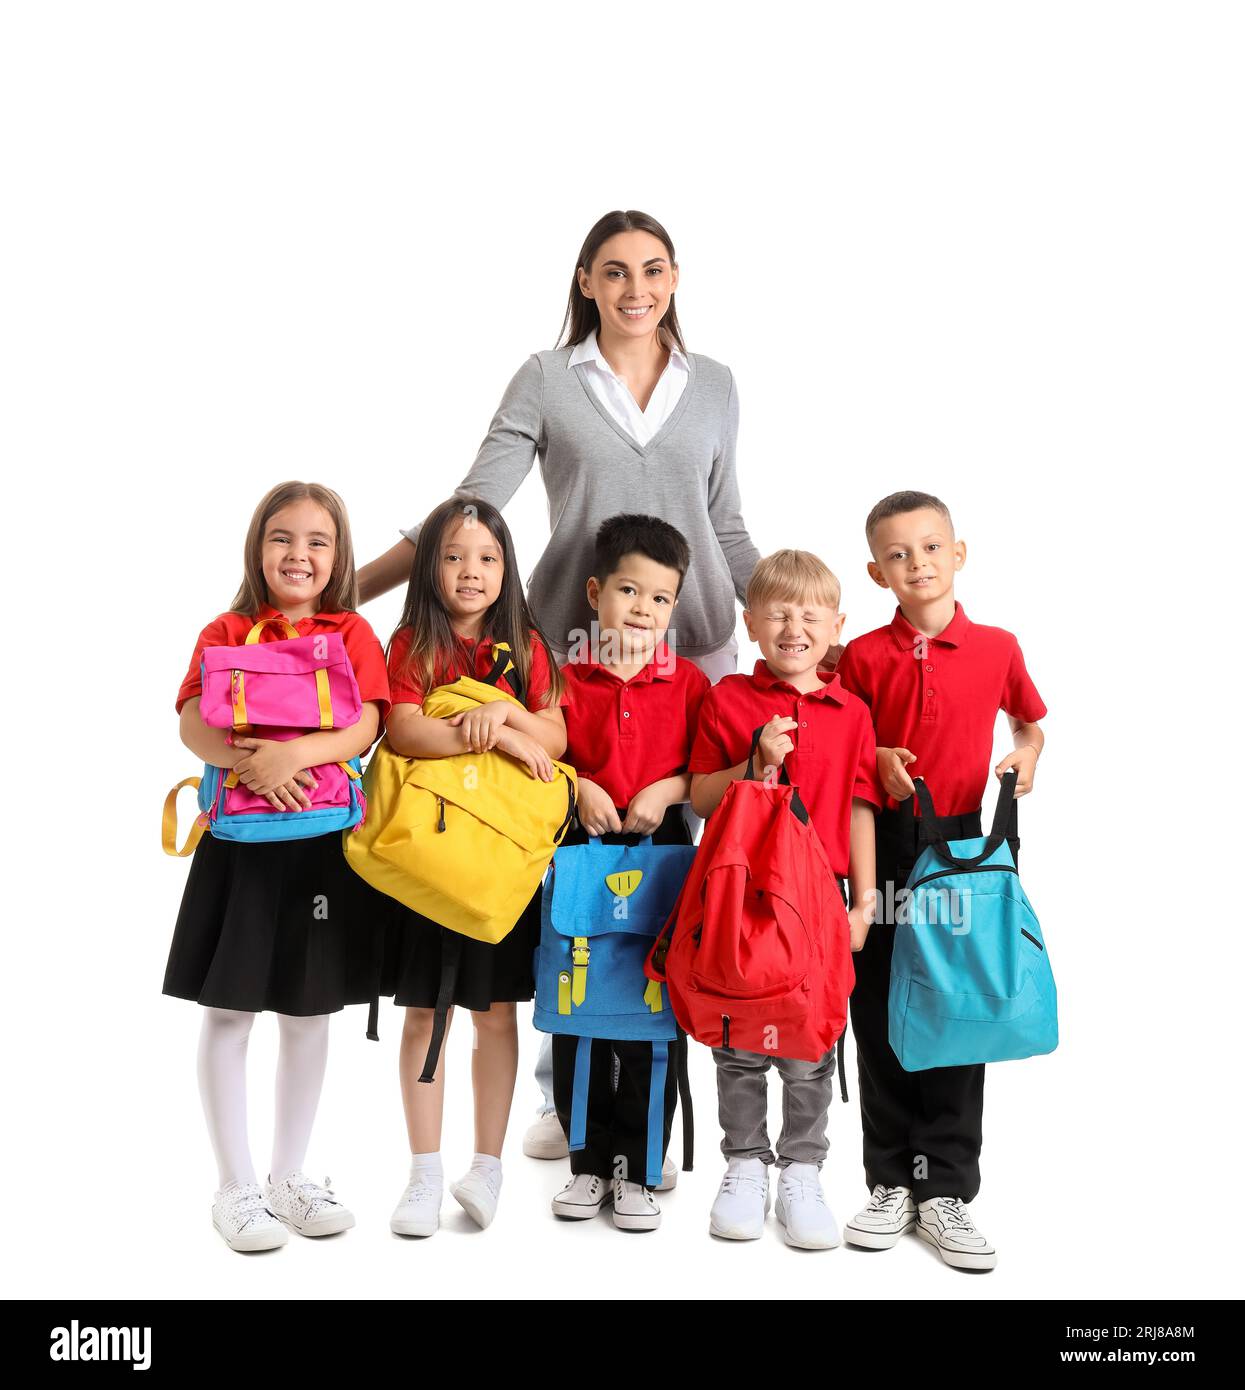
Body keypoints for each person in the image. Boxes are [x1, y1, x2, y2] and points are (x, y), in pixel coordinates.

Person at [357, 209, 760, 1157]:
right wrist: (348, 594)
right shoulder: (547, 377)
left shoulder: (717, 387)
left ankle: (654, 1086)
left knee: (668, 872)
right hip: (569, 662)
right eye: (613, 272)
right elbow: (474, 501)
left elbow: (728, 527)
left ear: (674, 277)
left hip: (690, 653)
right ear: (584, 280)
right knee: (568, 860)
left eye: (653, 271)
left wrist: (795, 628)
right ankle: (565, 1083)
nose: (634, 290)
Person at [164, 482, 391, 1252]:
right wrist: (245, 763)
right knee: (229, 1012)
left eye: (317, 541)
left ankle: (287, 1178)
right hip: (239, 850)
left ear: (339, 557)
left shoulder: (353, 631)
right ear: (257, 549)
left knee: (307, 1009)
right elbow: (193, 718)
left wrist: (294, 754)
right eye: (282, 539)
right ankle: (234, 1187)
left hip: (321, 849)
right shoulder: (225, 628)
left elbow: (366, 723)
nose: (299, 555)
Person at [835, 490, 1047, 1271]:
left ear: (958, 553)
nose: (915, 563)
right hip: (885, 842)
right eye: (897, 554)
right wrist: (877, 760)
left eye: (929, 547)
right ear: (875, 571)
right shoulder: (860, 656)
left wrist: (1029, 753)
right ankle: (890, 1180)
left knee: (959, 1005)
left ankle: (945, 1188)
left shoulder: (996, 646)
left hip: (966, 848)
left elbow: (1028, 723)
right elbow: (842, 740)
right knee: (883, 1000)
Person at [381, 497, 569, 1237]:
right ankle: (423, 1171)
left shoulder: (525, 644)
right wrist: (483, 734)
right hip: (428, 856)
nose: (470, 570)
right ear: (429, 567)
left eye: (487, 557)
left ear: (506, 568)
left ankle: (486, 1167)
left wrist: (504, 713)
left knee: (495, 1012)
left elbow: (553, 734)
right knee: (426, 1010)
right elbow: (400, 730)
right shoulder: (411, 643)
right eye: (454, 556)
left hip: (500, 860)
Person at [688, 551, 879, 1249]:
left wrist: (862, 903)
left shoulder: (852, 712)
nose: (792, 626)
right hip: (740, 892)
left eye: (809, 614)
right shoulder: (727, 699)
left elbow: (860, 805)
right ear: (750, 624)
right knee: (738, 1037)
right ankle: (742, 1163)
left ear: (835, 627)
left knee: (809, 1042)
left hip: (818, 897)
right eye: (776, 612)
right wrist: (755, 762)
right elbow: (700, 795)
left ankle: (801, 1168)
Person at [545, 514, 709, 1231]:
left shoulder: (691, 682)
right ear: (593, 593)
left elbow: (705, 776)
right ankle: (586, 1163)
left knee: (652, 1016)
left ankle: (639, 1165)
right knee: (578, 1010)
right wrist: (573, 783)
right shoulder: (561, 679)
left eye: (660, 598)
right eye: (628, 591)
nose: (642, 609)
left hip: (664, 858)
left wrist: (665, 790)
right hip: (580, 858)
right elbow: (539, 759)